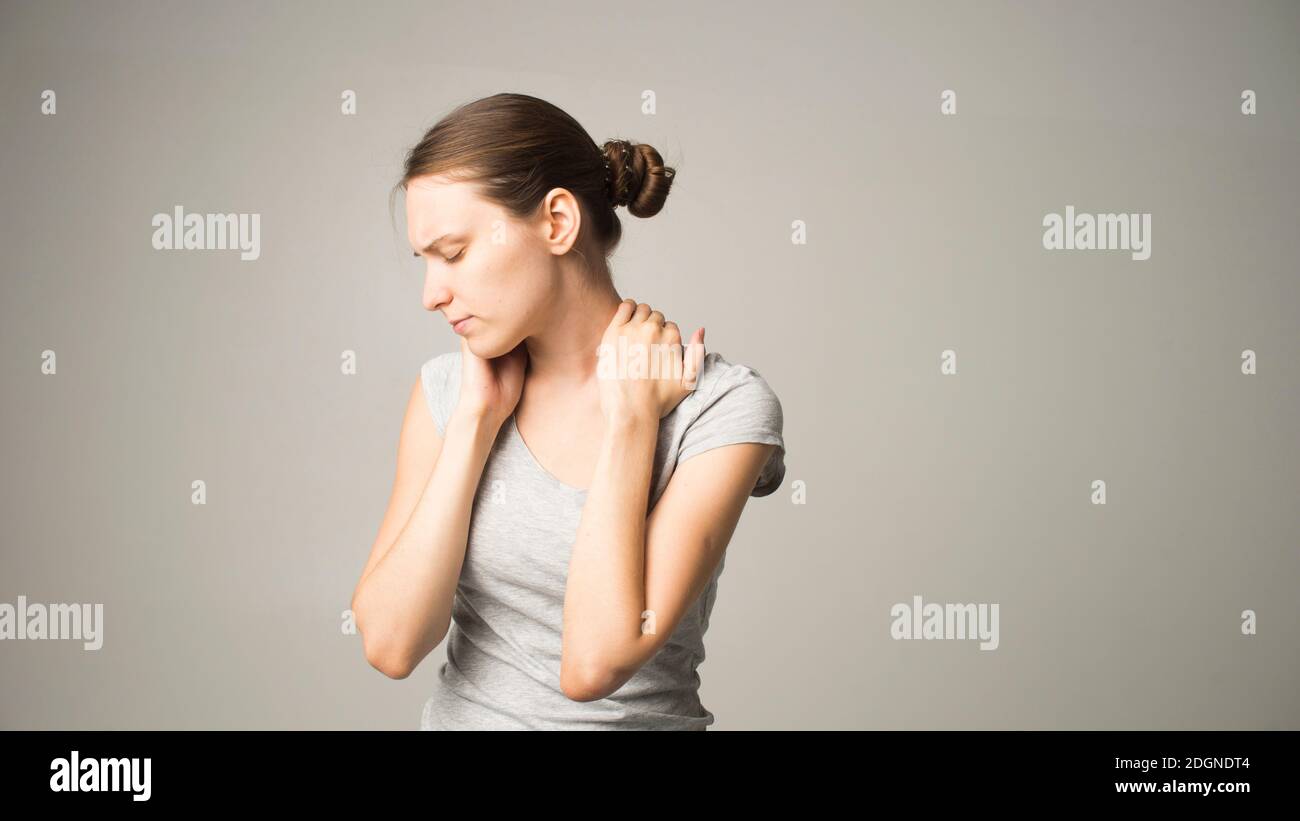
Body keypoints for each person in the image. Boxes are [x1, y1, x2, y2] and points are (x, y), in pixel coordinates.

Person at [350, 92, 787, 730]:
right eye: (426, 262)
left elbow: (593, 664)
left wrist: (632, 423)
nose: (432, 295)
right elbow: (390, 645)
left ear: (557, 221)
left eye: (454, 253)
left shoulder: (720, 409)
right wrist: (474, 425)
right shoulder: (449, 393)